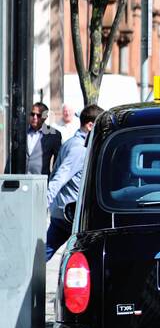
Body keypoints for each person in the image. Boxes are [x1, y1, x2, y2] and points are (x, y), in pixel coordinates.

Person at [46, 105, 102, 261]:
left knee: (45, 251)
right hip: (70, 213)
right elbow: (60, 177)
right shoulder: (79, 149)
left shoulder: (71, 143)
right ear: (90, 125)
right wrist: (45, 201)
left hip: (63, 210)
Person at [26, 102, 63, 177]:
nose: (35, 117)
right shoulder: (21, 132)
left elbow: (57, 162)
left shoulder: (54, 134)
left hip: (41, 181)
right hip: (20, 180)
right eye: (33, 114)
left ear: (45, 117)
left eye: (38, 115)